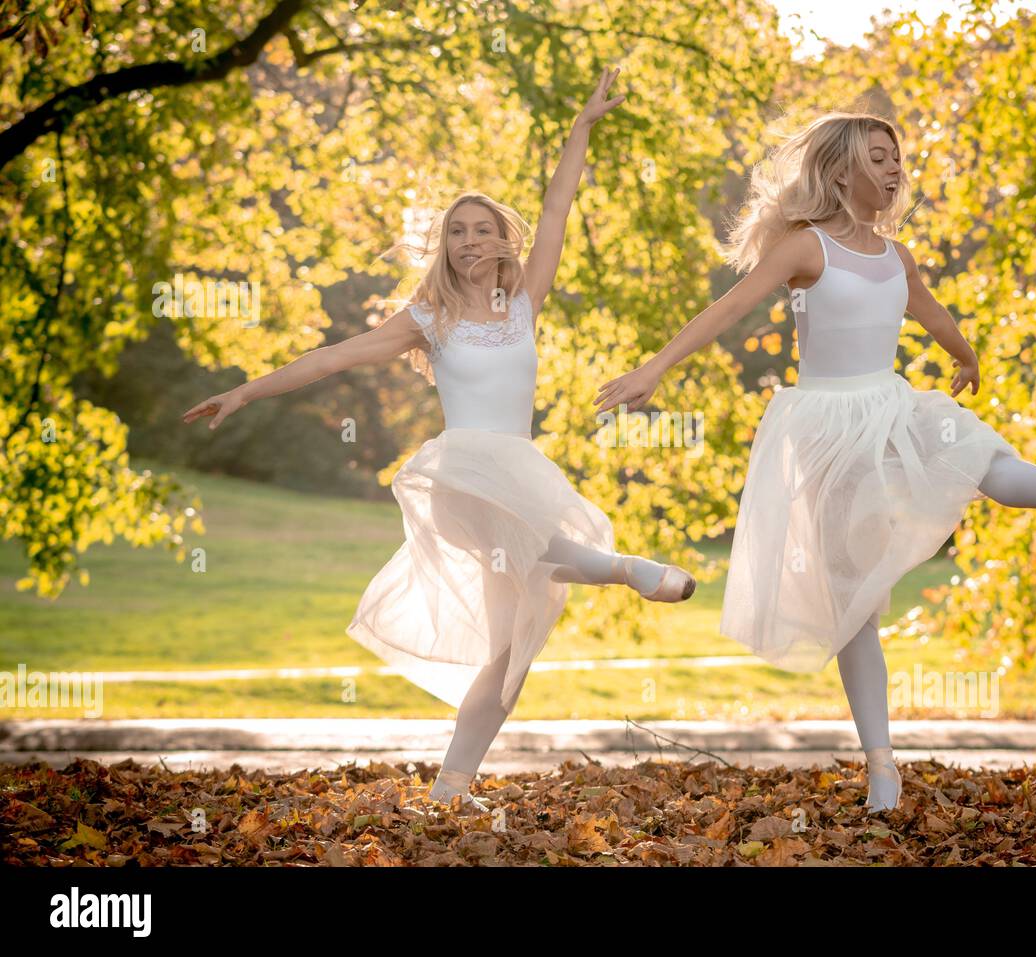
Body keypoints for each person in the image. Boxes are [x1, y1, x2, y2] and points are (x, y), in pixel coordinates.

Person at [594, 111, 1036, 812]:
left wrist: (964, 353)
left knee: (979, 454)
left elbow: (928, 309)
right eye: (880, 158)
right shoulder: (806, 247)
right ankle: (882, 765)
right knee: (854, 603)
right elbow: (728, 307)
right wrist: (655, 369)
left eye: (898, 158)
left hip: (892, 407)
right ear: (841, 172)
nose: (895, 170)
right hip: (827, 432)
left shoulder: (898, 254)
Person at [183, 67, 694, 813]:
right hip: (464, 476)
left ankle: (451, 789)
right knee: (548, 559)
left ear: (501, 242)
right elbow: (331, 356)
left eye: (481, 229)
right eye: (456, 231)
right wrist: (246, 389)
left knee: (508, 655)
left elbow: (560, 206)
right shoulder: (428, 319)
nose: (468, 240)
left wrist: (582, 125)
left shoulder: (523, 301)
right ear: (444, 246)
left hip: (517, 477)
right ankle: (626, 569)